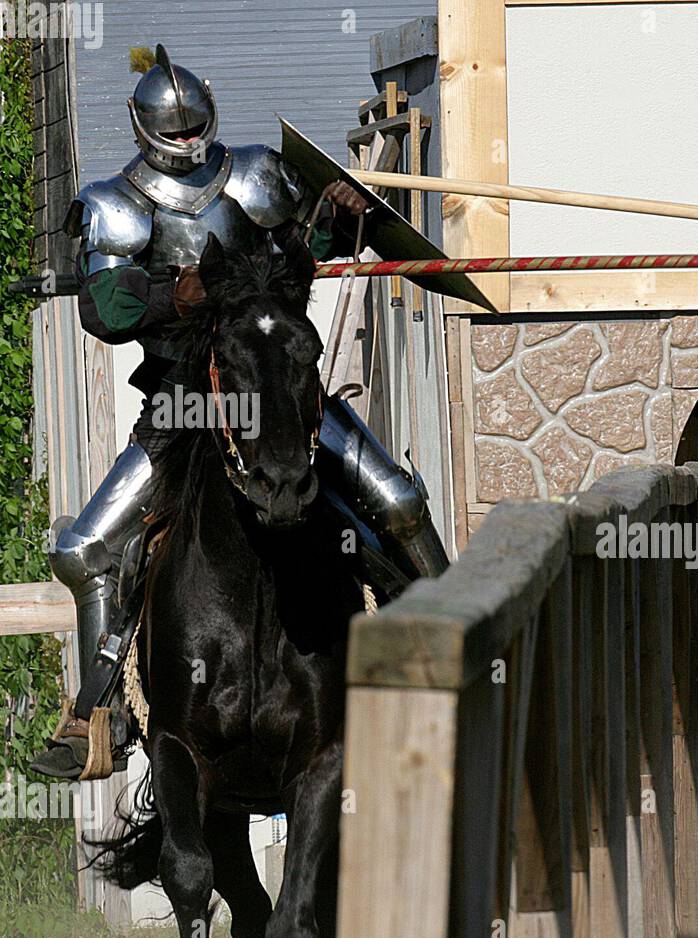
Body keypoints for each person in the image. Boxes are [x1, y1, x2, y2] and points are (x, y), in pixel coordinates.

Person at [31, 46, 448, 781]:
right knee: (85, 549)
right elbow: (103, 306)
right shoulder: (115, 204)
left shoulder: (255, 174)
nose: (189, 141)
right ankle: (103, 716)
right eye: (176, 129)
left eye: (198, 126)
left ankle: (456, 641)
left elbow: (296, 258)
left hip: (276, 384)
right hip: (186, 399)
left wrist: (331, 219)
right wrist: (170, 299)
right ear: (145, 128)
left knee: (397, 497)